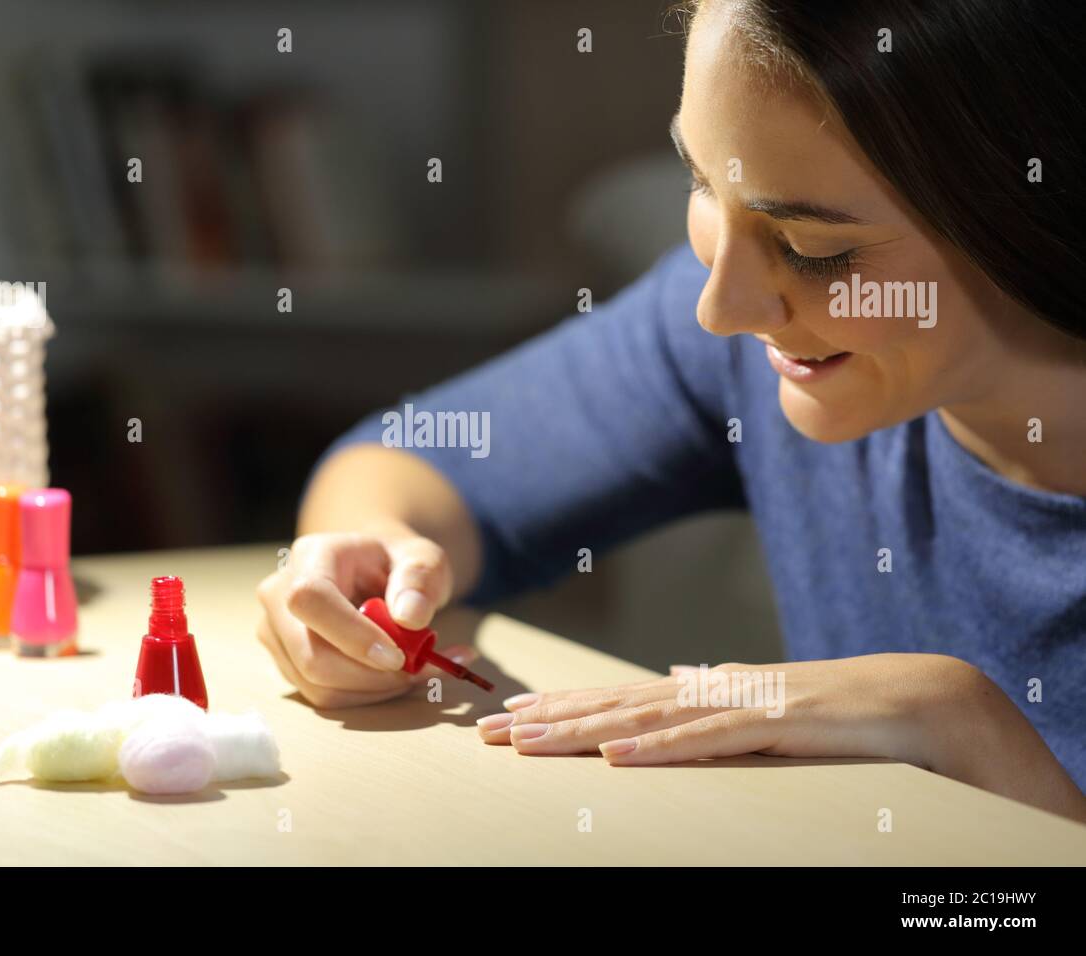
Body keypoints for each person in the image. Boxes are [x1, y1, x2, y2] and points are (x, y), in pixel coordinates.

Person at [255, 0, 1086, 822]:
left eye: (813, 251)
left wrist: (962, 722)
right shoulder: (753, 342)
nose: (721, 308)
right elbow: (407, 460)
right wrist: (368, 573)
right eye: (700, 178)